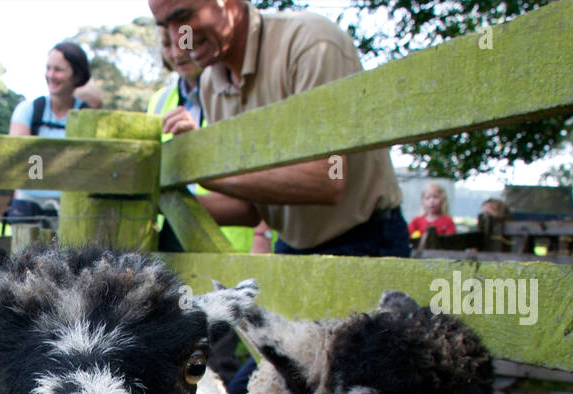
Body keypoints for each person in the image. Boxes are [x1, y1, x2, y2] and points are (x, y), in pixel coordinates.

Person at [149, 0, 410, 260]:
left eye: (183, 16)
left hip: (366, 241)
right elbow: (248, 209)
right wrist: (153, 196)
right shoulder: (211, 82)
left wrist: (206, 172)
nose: (178, 39)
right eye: (165, 26)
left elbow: (329, 178)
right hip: (289, 246)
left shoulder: (311, 43)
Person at [148, 26, 256, 254]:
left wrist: (262, 234)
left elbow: (264, 169)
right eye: (167, 44)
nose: (177, 53)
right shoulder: (158, 101)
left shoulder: (240, 93)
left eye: (183, 42)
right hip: (172, 239)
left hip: (229, 242)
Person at [6, 42, 97, 227]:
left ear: (77, 75)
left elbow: (89, 166)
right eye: (48, 68)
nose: (50, 75)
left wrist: (42, 158)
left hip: (73, 209)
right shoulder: (28, 110)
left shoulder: (88, 116)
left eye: (58, 70)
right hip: (28, 205)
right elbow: (20, 162)